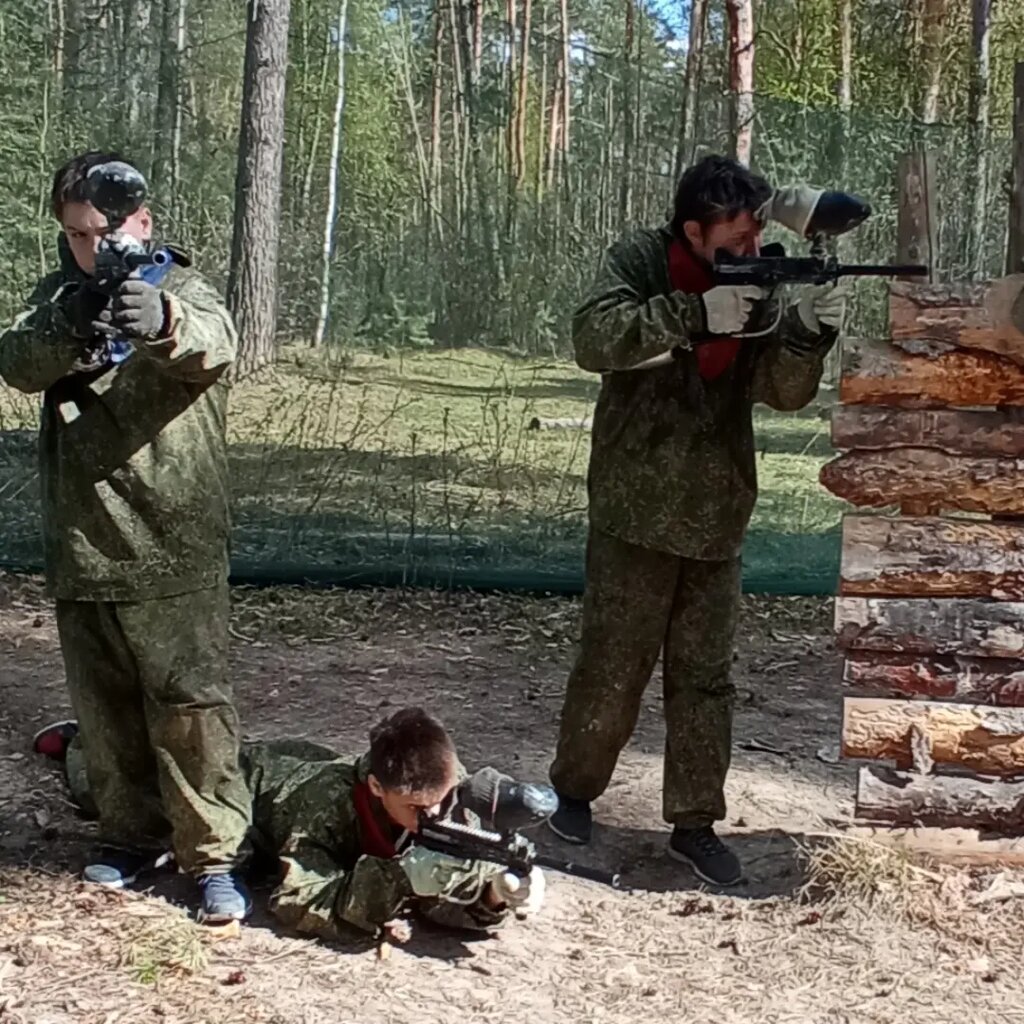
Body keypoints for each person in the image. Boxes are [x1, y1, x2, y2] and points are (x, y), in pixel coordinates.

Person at [546, 155, 847, 886]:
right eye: (736, 241)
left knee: (705, 682)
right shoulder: (641, 261)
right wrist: (695, 313)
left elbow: (782, 391)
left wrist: (807, 333)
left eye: (756, 238)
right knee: (612, 668)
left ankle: (694, 822)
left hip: (716, 518)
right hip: (634, 510)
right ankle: (574, 795)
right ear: (692, 231)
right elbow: (593, 338)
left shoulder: (759, 281)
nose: (752, 251)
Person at [0, 150, 252, 923]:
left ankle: (213, 855)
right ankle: (129, 834)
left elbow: (218, 342)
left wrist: (162, 321)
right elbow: (17, 361)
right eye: (75, 235)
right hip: (84, 543)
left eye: (102, 233)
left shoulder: (183, 288)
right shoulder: (57, 299)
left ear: (141, 222)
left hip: (173, 545)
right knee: (105, 709)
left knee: (191, 710)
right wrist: (74, 321)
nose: (88, 248)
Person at [35, 708, 545, 938]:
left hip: (304, 764)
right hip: (249, 788)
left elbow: (443, 900)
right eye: (418, 808)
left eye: (443, 800)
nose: (435, 816)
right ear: (375, 788)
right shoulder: (323, 808)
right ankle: (80, 741)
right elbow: (300, 902)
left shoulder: (437, 790)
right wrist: (398, 879)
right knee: (133, 792)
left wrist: (495, 895)